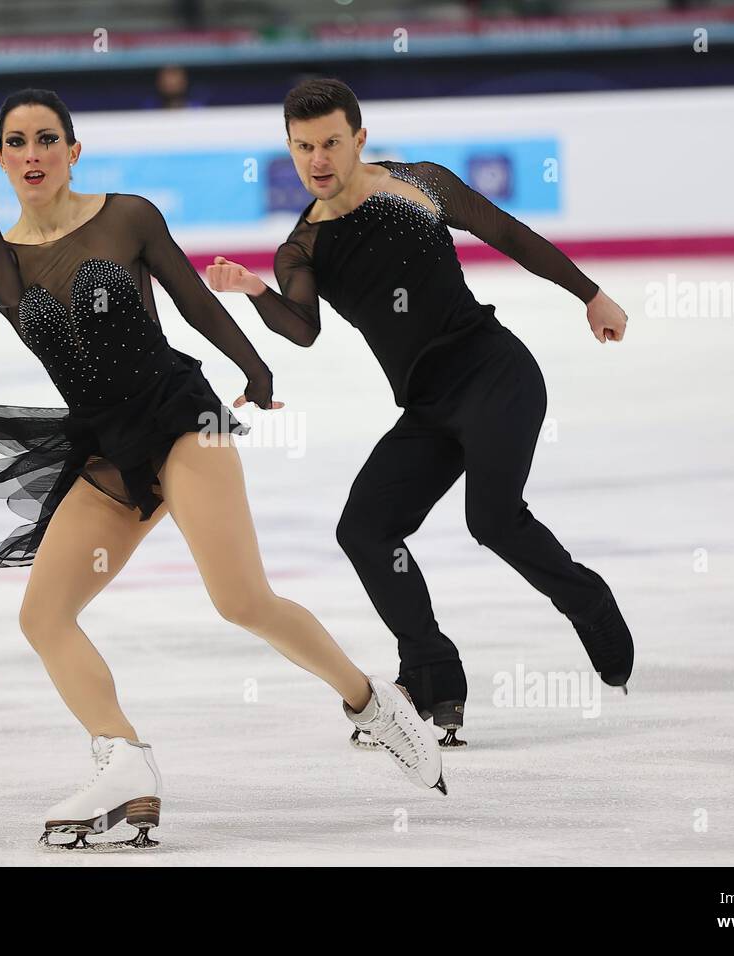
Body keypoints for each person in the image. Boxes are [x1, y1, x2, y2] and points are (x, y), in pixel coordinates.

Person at [0, 88, 446, 849]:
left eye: (47, 140)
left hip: (180, 418)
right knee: (43, 616)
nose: (33, 154)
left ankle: (371, 704)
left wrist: (253, 364)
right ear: (0, 157)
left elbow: (192, 299)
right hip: (105, 449)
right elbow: (9, 291)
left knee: (242, 601)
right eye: (18, 142)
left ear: (73, 150)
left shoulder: (128, 215)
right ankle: (121, 758)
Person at [206, 78, 635, 750]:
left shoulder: (419, 185)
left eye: (330, 143)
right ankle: (432, 672)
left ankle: (585, 599)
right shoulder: (304, 246)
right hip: (429, 408)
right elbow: (303, 328)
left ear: (359, 139)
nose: (317, 159)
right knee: (365, 529)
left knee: (491, 520)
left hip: (495, 372)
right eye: (303, 147)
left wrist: (591, 294)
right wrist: (255, 290)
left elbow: (508, 233)